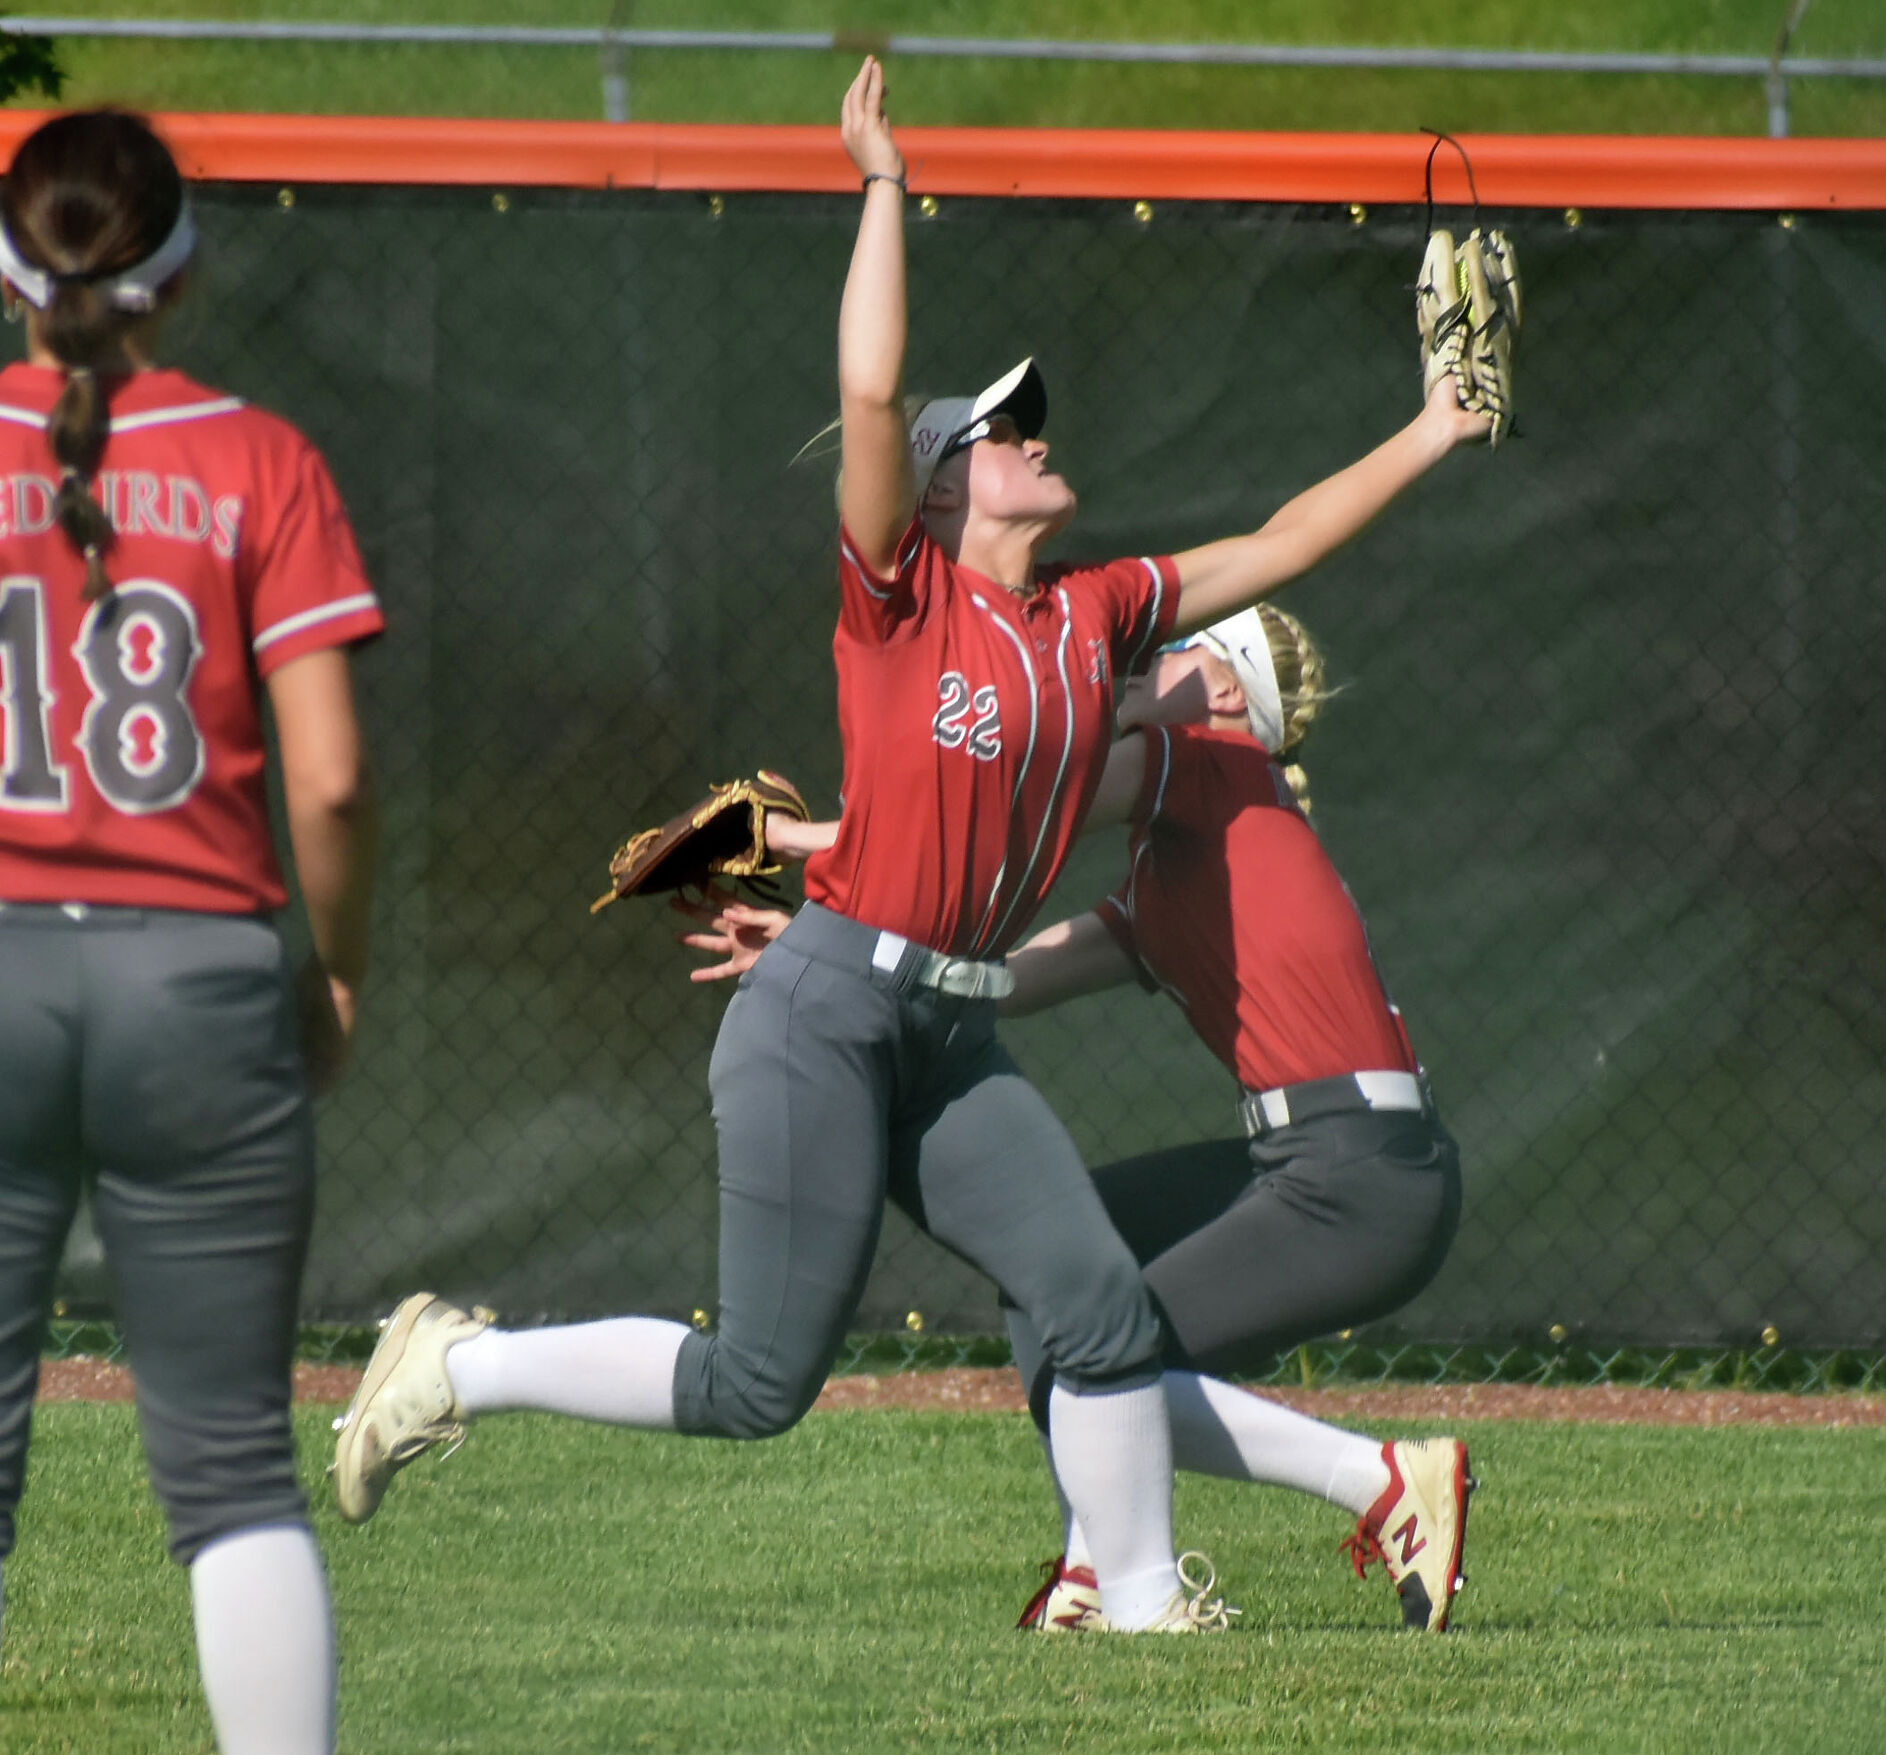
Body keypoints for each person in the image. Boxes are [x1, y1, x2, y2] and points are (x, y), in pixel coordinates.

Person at [332, 57, 1483, 1635]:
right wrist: (882, 180)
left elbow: (1276, 542)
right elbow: (870, 396)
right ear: (941, 491)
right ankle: (455, 1362)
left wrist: (1436, 424)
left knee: (1090, 1302)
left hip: (943, 1025)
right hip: (827, 1016)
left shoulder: (1093, 616)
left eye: (1027, 423)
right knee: (758, 1380)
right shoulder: (902, 599)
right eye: (1000, 432)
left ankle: (1138, 1595)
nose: (1031, 436)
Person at [686, 603, 1471, 1634]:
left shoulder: (1213, 767)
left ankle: (1379, 1480)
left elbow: (1013, 804)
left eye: (1181, 653)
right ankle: (1092, 1571)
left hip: (1358, 1179)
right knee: (1052, 1266)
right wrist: (815, 948)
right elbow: (983, 981)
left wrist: (793, 838)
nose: (1149, 668)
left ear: (1225, 695)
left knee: (1093, 1358)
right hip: (1332, 1162)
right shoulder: (1184, 860)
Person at [0, 110, 382, 1755]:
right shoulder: (260, 458)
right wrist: (341, 965)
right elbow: (334, 780)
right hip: (200, 977)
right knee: (230, 1471)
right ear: (184, 272)